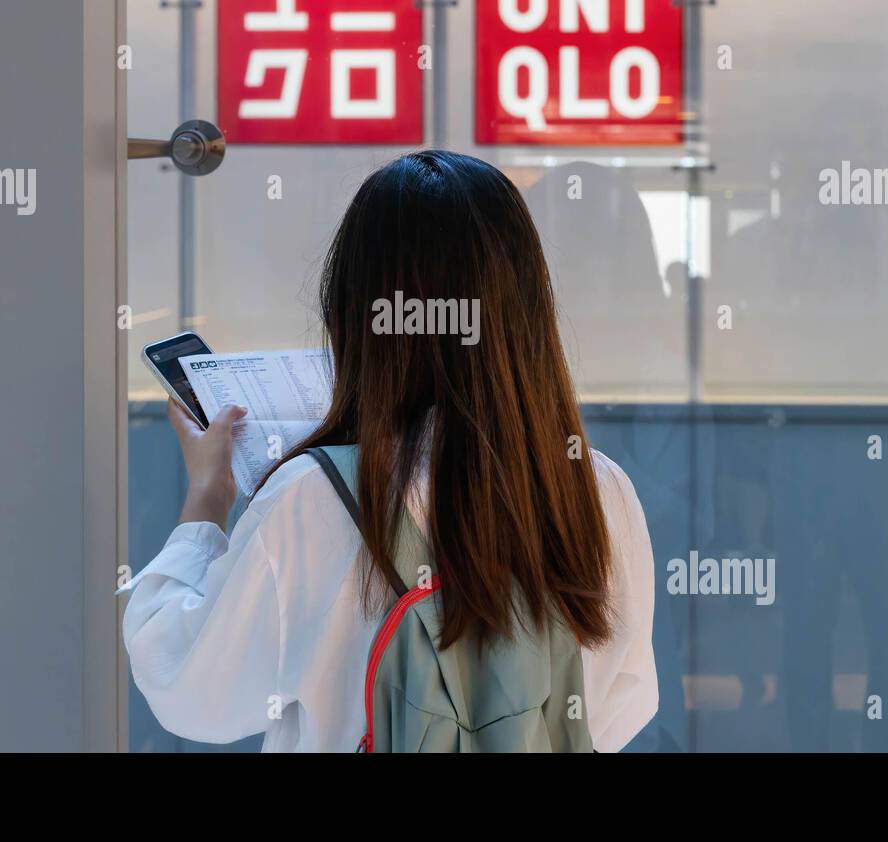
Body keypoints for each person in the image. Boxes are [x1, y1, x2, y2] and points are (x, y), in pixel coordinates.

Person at [121, 150, 658, 752]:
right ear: (527, 314)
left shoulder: (310, 497)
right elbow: (620, 708)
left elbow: (189, 694)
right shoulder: (594, 487)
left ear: (353, 316)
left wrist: (206, 501)